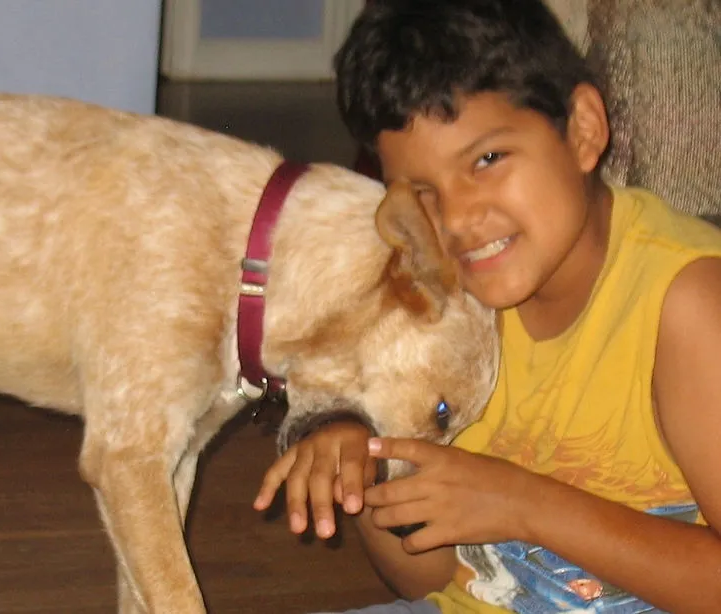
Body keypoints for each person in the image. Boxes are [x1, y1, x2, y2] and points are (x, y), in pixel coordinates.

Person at [253, 0, 721, 612]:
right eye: (423, 191)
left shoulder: (687, 306)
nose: (458, 220)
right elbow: (429, 581)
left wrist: (524, 505)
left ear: (583, 129)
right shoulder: (449, 306)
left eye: (487, 160)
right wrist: (368, 470)